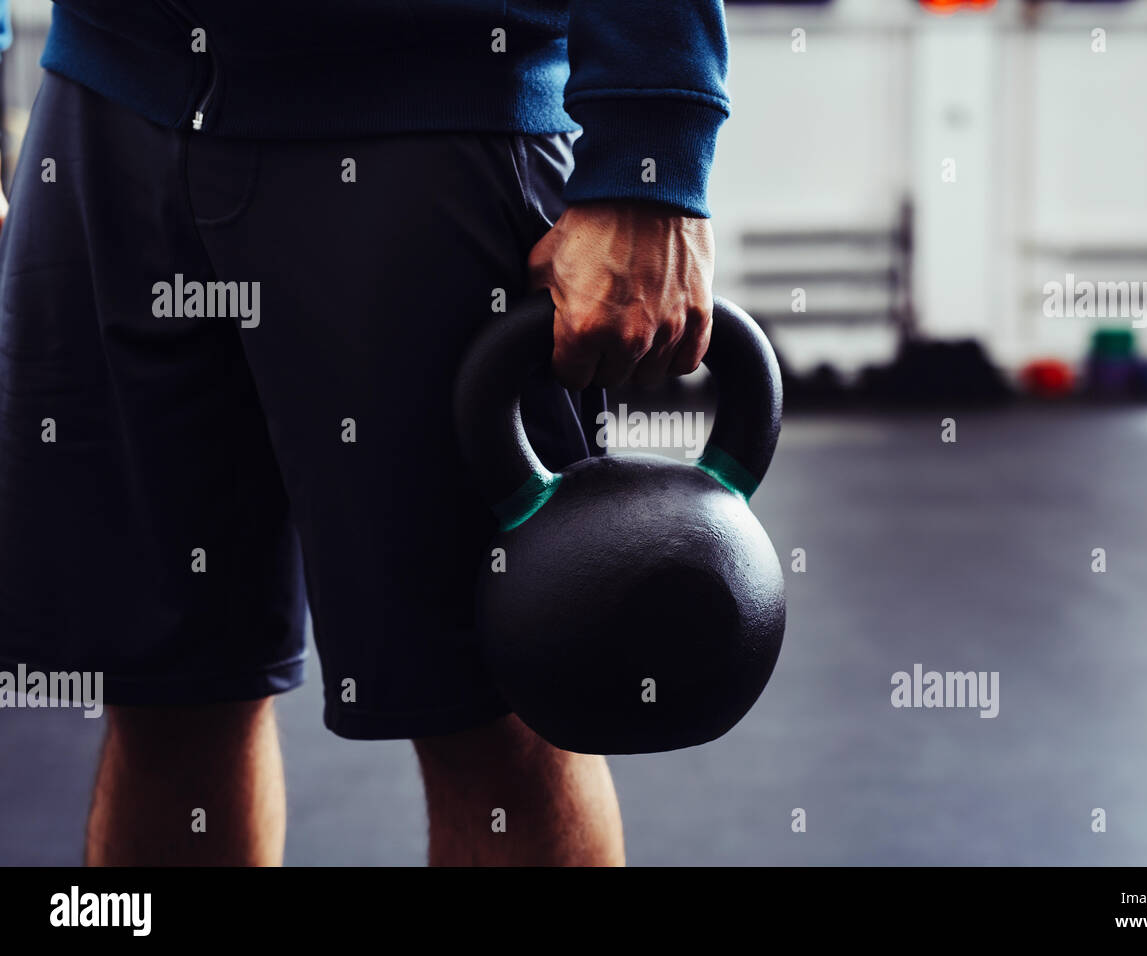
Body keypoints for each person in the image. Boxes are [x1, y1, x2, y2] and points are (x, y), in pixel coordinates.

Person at [0, 1, 729, 866]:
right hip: (106, 93)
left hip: (432, 107)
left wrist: (652, 143)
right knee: (161, 691)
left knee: (502, 711)